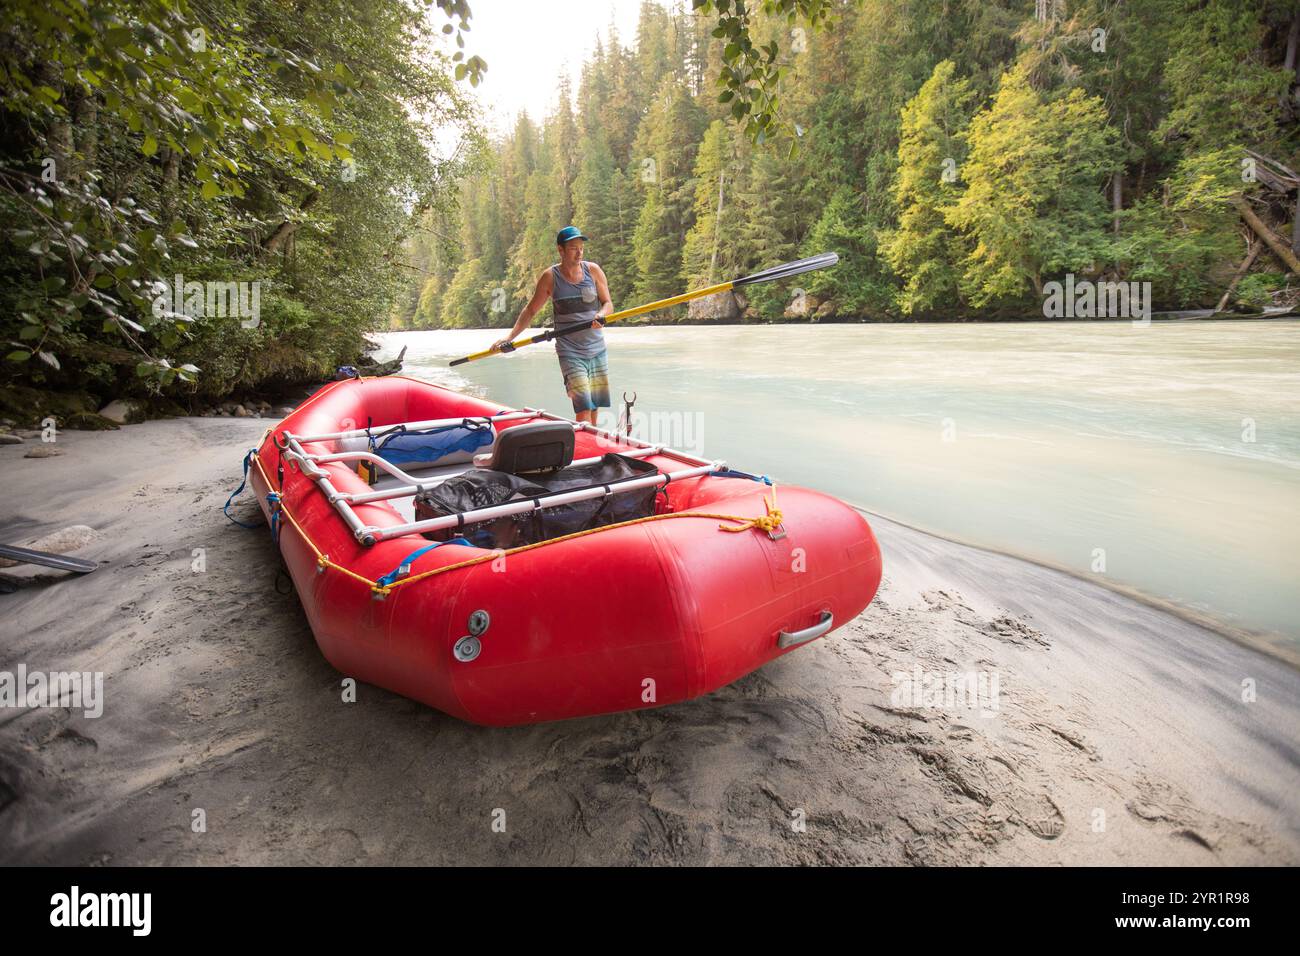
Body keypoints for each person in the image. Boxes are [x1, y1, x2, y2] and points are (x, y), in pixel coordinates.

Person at [493, 226, 613, 425]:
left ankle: (593, 445)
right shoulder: (550, 277)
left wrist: (601, 315)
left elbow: (608, 303)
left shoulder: (593, 271)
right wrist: (510, 337)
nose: (579, 252)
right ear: (561, 250)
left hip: (597, 349)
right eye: (573, 248)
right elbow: (530, 310)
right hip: (570, 351)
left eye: (581, 248)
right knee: (583, 406)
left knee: (594, 406)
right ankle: (581, 445)